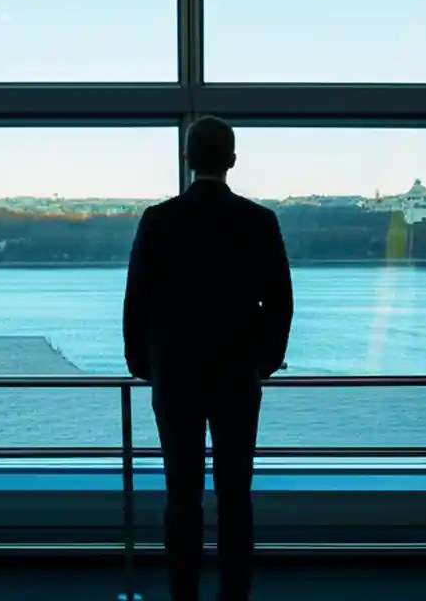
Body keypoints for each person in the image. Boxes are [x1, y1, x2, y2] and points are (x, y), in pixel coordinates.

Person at [123, 115, 294, 601]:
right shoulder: (259, 221)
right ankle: (234, 594)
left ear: (187, 159)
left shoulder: (158, 220)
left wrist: (144, 363)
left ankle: (183, 593)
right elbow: (280, 302)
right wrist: (262, 362)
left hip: (175, 375)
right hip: (237, 376)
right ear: (233, 161)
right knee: (235, 493)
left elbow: (138, 299)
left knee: (182, 492)